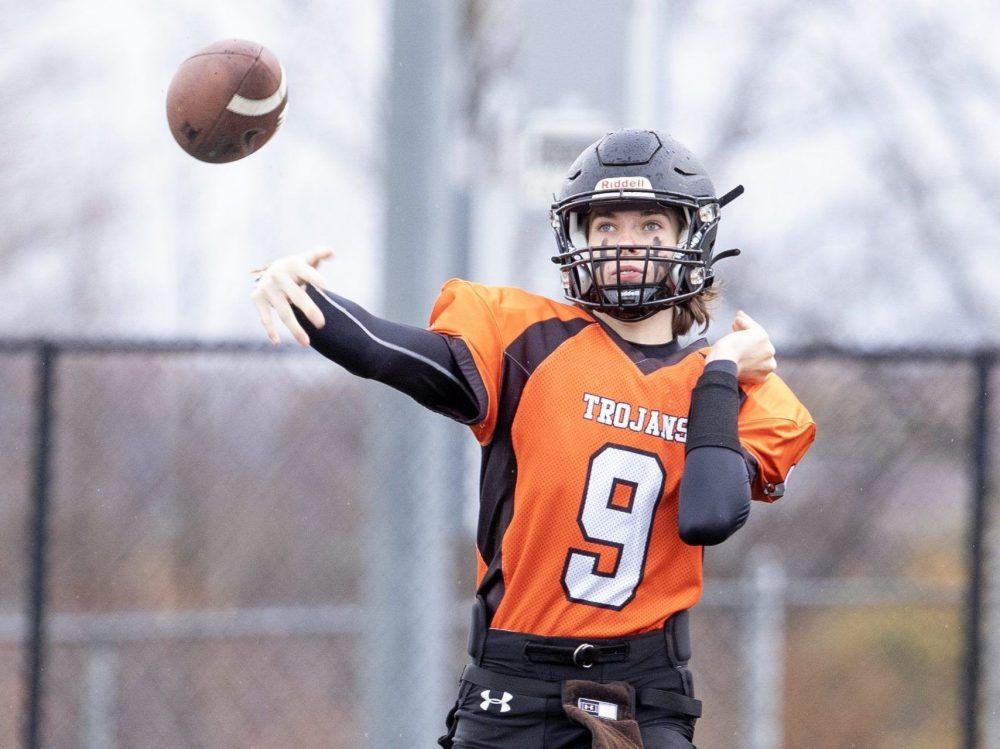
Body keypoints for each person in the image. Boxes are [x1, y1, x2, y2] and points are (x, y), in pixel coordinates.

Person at [251, 129, 816, 748]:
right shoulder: (528, 341)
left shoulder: (737, 389)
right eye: (606, 226)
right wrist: (310, 301)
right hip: (511, 694)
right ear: (577, 236)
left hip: (645, 697)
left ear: (691, 238)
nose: (626, 243)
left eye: (651, 225)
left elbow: (708, 514)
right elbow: (395, 355)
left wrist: (717, 375)